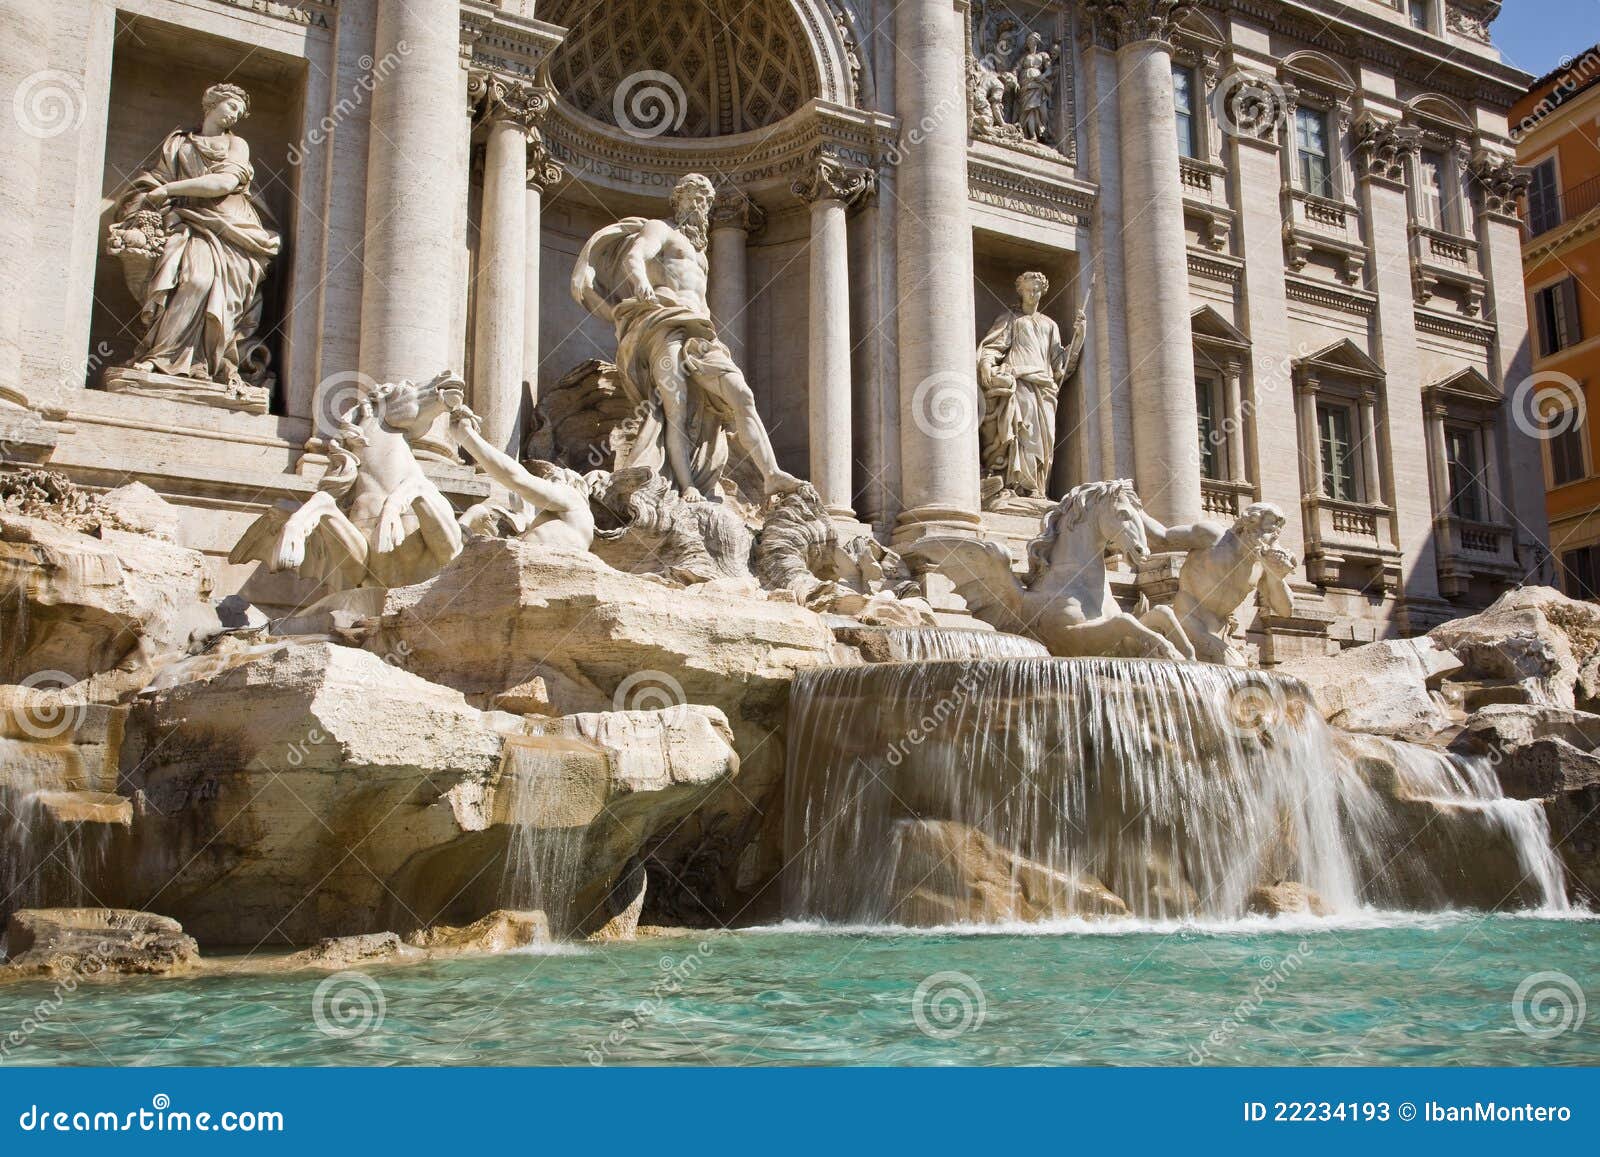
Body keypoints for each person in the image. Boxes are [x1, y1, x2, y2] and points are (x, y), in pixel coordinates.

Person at [571, 173, 805, 501]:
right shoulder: (661, 229)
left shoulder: (702, 254)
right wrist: (640, 283)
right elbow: (634, 255)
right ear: (678, 199)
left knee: (741, 394)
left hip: (701, 333)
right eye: (694, 197)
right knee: (675, 408)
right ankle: (687, 484)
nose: (700, 205)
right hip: (663, 323)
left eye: (706, 200)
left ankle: (771, 475)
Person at [115, 83, 280, 387]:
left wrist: (167, 190)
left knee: (202, 281)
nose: (235, 115)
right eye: (232, 107)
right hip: (184, 223)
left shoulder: (237, 145)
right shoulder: (178, 143)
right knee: (187, 281)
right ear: (212, 103)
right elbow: (153, 179)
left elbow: (222, 184)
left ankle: (204, 363)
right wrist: (147, 196)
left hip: (230, 229)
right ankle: (161, 357)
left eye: (240, 112)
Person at [976, 271, 1086, 499]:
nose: (1032, 294)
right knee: (1022, 432)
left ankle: (1036, 486)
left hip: (1044, 386)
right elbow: (994, 346)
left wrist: (1078, 338)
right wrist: (986, 364)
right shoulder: (1011, 319)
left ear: (1042, 292)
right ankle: (1014, 484)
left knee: (1042, 439)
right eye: (1028, 290)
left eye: (1036, 290)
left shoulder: (1050, 325)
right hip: (1020, 380)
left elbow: (1060, 364)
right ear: (1021, 291)